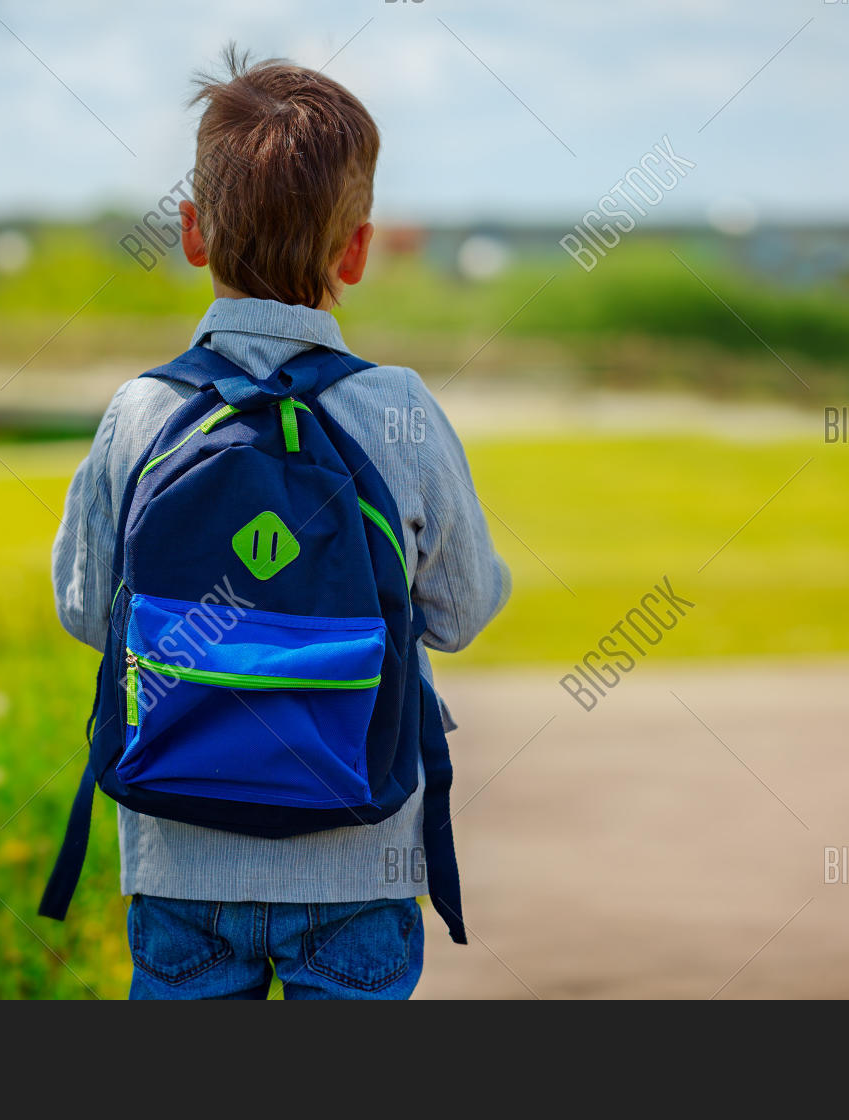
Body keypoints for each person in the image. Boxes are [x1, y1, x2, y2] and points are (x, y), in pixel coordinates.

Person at [51, 48, 509, 999]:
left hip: (181, 860)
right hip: (358, 862)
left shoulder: (140, 412)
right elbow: (461, 612)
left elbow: (90, 612)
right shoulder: (401, 410)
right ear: (358, 249)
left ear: (191, 232)